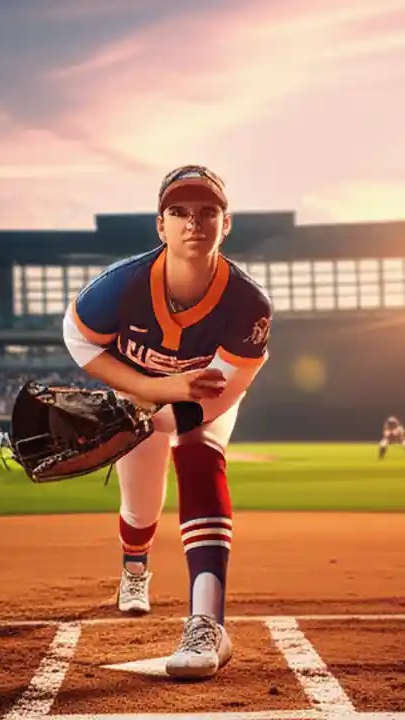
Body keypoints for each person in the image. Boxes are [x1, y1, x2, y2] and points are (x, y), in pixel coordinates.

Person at [62, 165, 272, 680]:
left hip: (208, 399)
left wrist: (167, 410)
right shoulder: (120, 287)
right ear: (160, 225)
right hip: (137, 393)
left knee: (197, 452)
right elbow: (80, 340)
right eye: (179, 211)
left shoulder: (248, 306)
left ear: (227, 224)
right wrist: (152, 395)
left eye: (207, 212)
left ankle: (208, 623)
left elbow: (219, 391)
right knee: (140, 508)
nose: (193, 222)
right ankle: (135, 569)